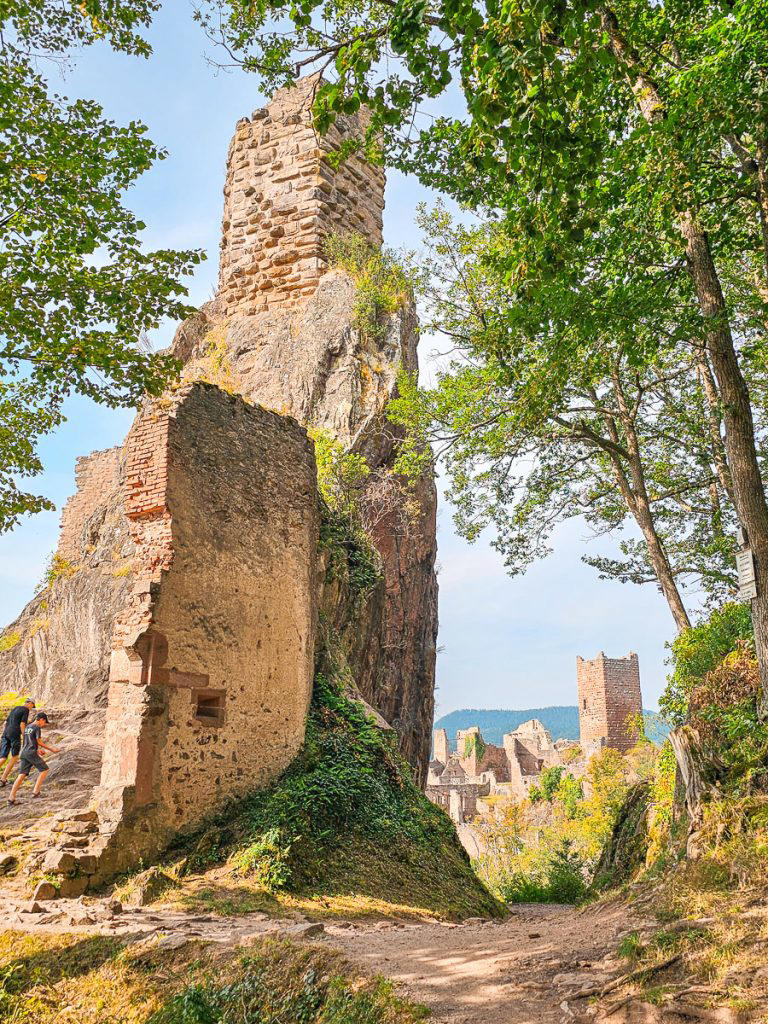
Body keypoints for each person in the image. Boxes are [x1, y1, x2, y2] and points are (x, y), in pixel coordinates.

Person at [8, 712, 60, 805]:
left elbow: (27, 741)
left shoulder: (28, 727)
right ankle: (36, 792)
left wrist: (37, 750)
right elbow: (39, 742)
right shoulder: (37, 727)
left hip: (24, 752)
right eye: (44, 722)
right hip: (30, 752)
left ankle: (11, 797)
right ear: (41, 719)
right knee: (44, 769)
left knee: (21, 775)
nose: (44, 724)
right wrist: (52, 749)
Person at [0, 698, 36, 787]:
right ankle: (3, 778)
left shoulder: (15, 708)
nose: (31, 708)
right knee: (15, 756)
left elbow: (6, 721)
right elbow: (22, 724)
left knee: (3, 757)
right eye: (32, 706)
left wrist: (5, 732)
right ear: (30, 703)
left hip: (6, 733)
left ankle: (3, 778)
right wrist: (25, 736)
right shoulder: (25, 709)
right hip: (15, 734)